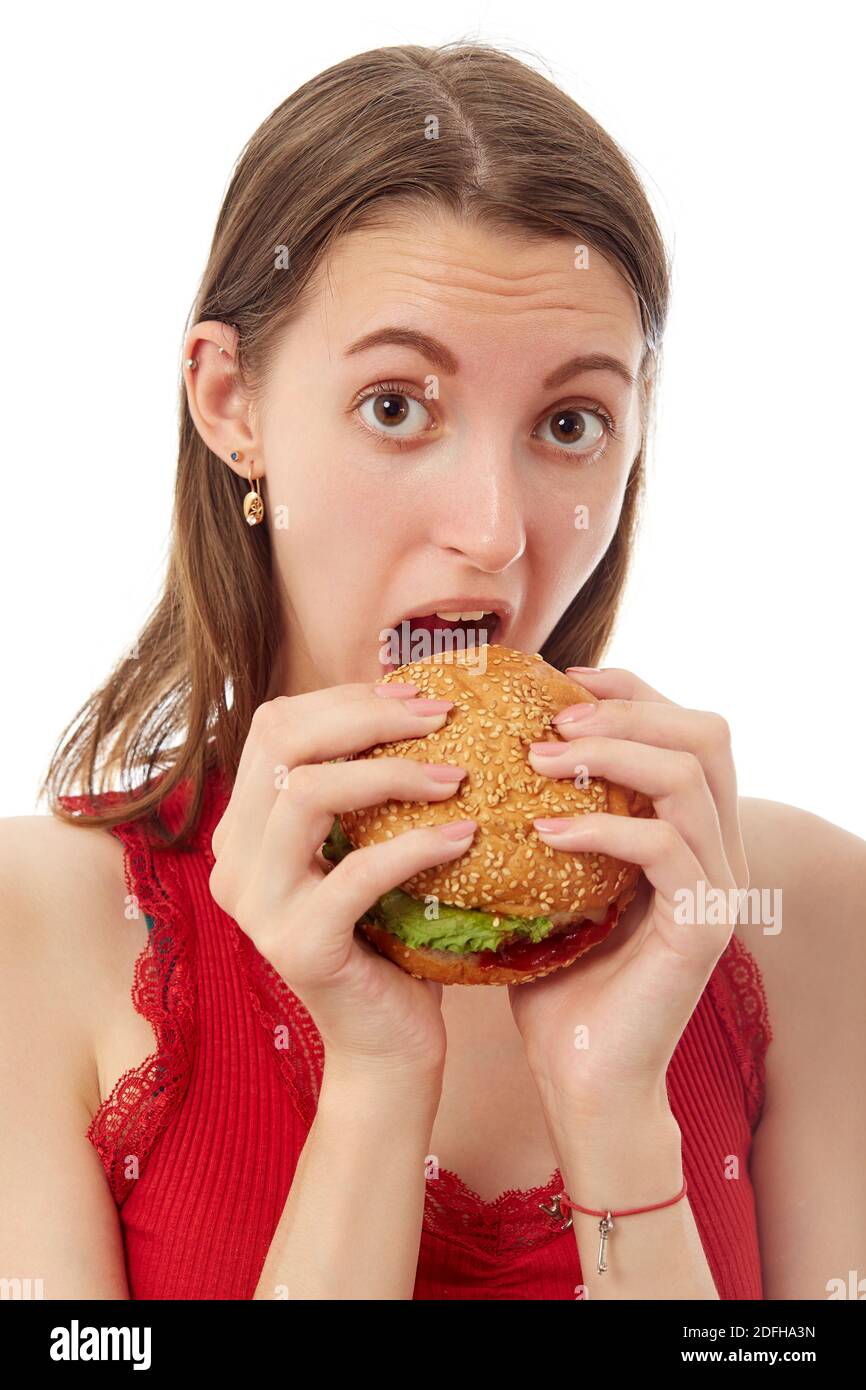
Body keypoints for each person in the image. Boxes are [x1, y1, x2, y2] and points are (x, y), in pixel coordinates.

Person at [1, 40, 863, 1302]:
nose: (496, 528)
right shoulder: (39, 933)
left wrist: (615, 1116)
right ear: (232, 399)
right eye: (397, 405)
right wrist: (372, 1090)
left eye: (569, 423)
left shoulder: (801, 915)